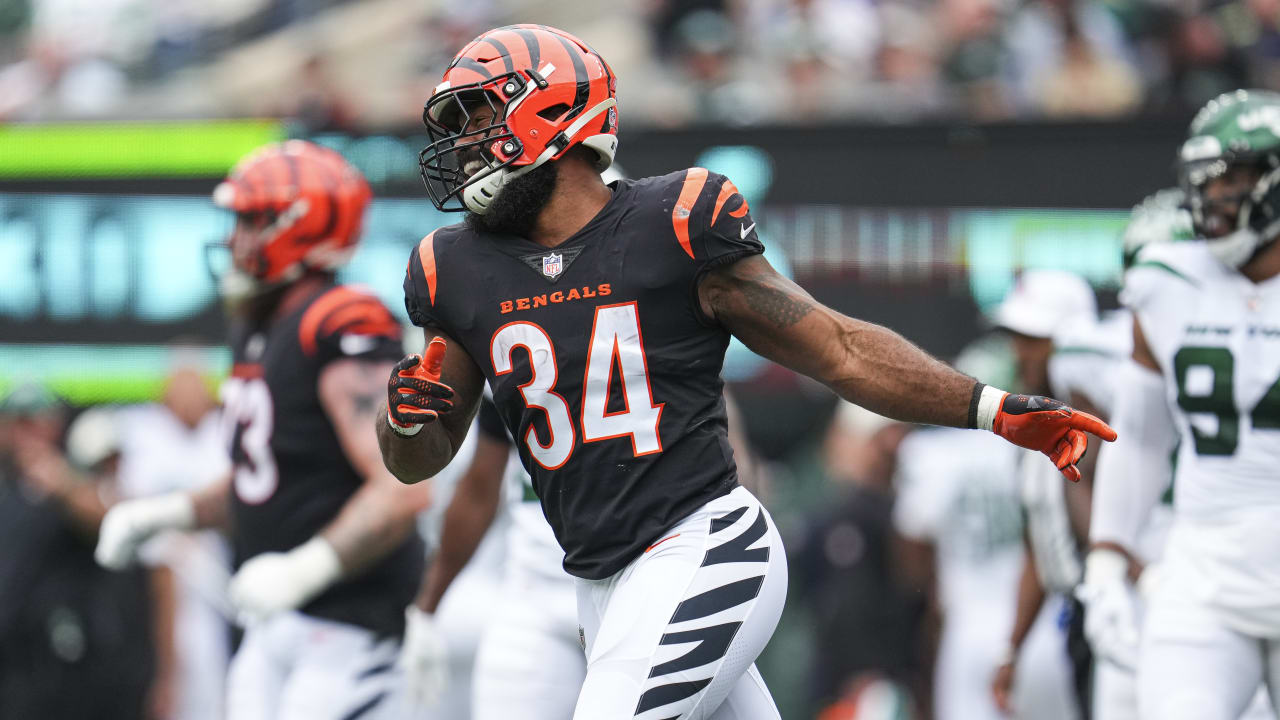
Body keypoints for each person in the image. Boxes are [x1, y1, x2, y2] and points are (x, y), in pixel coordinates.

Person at [378, 24, 1115, 720]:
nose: (465, 146)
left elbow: (837, 347)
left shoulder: (673, 222)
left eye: (479, 117)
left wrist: (991, 409)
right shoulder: (457, 269)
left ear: (552, 111)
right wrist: (402, 421)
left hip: (703, 544)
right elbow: (420, 457)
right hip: (595, 584)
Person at [95, 140, 432, 720]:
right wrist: (168, 513)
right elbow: (268, 479)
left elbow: (403, 485)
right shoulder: (259, 328)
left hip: (348, 624)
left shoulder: (338, 318)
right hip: (276, 622)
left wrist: (308, 567)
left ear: (298, 228)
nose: (235, 238)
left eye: (251, 221)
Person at [1084, 88, 1280, 720]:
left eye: (1234, 179)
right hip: (1203, 571)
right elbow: (1139, 435)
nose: (1213, 198)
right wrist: (1108, 558)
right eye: (1206, 182)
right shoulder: (1166, 281)